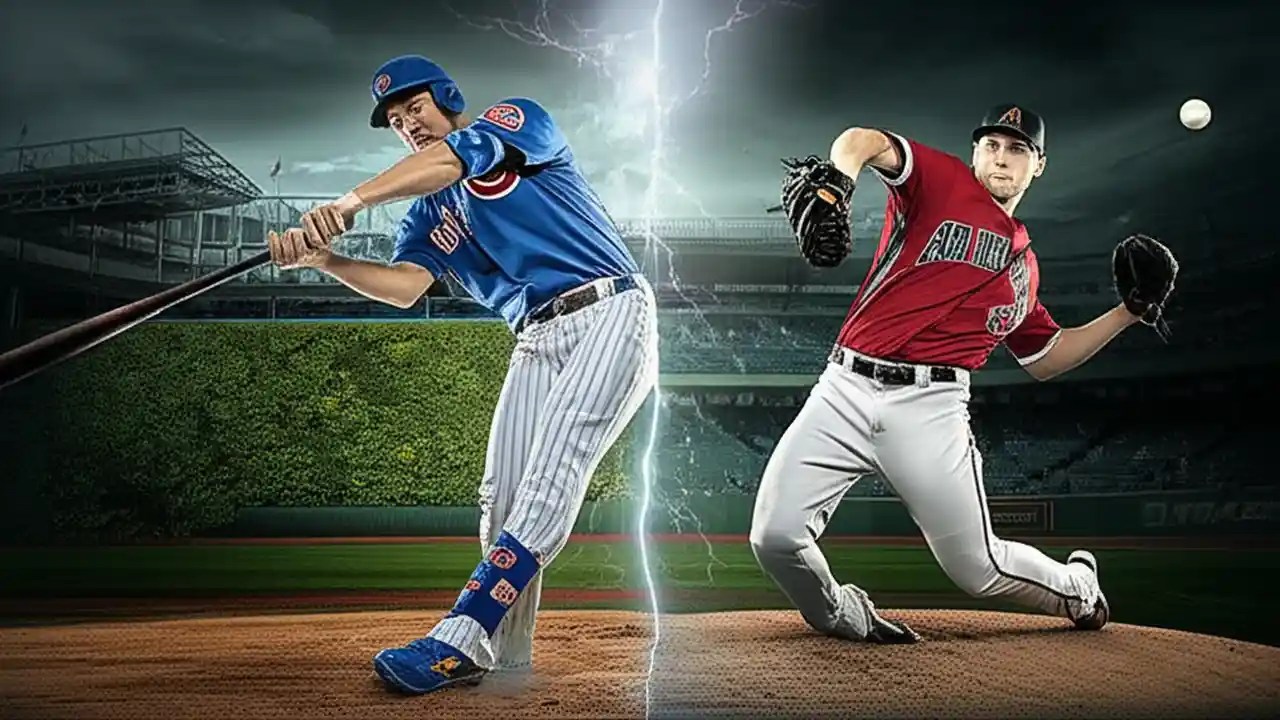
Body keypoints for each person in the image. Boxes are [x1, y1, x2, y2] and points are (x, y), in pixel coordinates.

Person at [266, 54, 659, 695]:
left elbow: (452, 160)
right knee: (500, 501)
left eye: (415, 108)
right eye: (396, 121)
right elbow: (404, 288)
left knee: (550, 476)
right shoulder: (426, 212)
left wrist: (350, 200)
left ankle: (460, 634)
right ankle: (504, 657)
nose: (408, 125)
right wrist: (325, 259)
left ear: (447, 97)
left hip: (609, 308)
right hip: (535, 335)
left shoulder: (517, 121)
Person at [750, 104, 1171, 643]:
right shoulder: (938, 180)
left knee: (977, 569)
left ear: (1038, 165)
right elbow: (861, 139)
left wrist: (1127, 314)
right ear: (974, 151)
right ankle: (840, 613)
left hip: (930, 410)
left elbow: (1047, 358)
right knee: (774, 536)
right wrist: (836, 184)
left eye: (1017, 148)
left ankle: (1079, 589)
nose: (1001, 156)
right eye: (991, 144)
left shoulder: (1023, 267)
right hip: (844, 389)